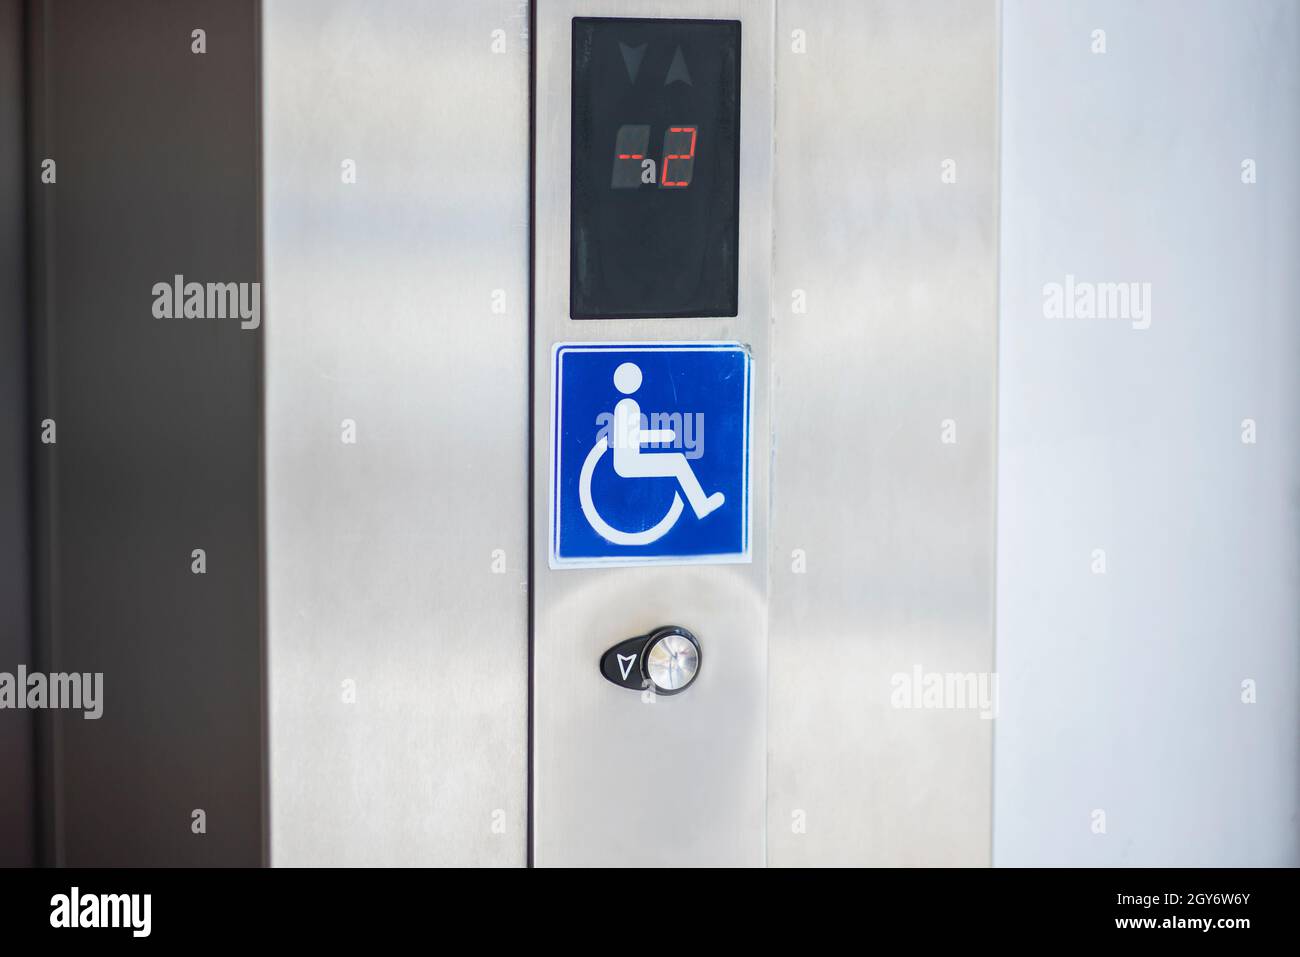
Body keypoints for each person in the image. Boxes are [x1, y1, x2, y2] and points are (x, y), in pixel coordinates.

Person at [609, 361, 724, 518]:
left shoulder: (628, 404)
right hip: (629, 463)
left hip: (632, 459)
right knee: (677, 462)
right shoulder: (627, 406)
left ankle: (700, 504)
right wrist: (665, 435)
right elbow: (631, 438)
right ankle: (700, 505)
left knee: (677, 461)